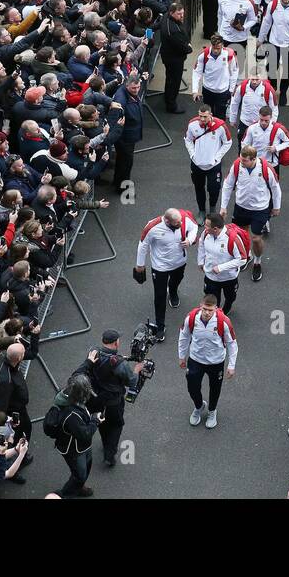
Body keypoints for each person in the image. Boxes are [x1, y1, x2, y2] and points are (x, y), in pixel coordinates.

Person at [72, 330, 143, 469]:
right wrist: (137, 370)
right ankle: (109, 454)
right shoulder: (119, 364)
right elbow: (131, 381)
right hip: (113, 402)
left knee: (101, 421)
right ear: (116, 342)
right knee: (116, 425)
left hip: (93, 398)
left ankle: (105, 443)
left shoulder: (93, 351)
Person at [220, 144, 282, 281]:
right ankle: (246, 256)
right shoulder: (237, 165)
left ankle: (257, 262)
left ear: (253, 159)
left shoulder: (266, 168)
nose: (241, 163)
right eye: (241, 160)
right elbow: (228, 185)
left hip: (260, 209)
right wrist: (223, 207)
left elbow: (275, 188)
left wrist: (276, 207)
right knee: (242, 234)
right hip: (241, 207)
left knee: (256, 238)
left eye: (244, 161)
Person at [136, 208, 200, 339]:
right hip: (160, 266)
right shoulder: (153, 227)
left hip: (179, 262)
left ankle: (173, 291)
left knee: (177, 280)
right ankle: (160, 325)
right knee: (159, 295)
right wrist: (140, 265)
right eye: (177, 223)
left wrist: (189, 239)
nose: (181, 224)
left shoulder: (184, 218)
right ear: (167, 220)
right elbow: (143, 244)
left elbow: (194, 227)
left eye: (180, 221)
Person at [178, 294, 238, 430]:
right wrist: (182, 356)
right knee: (192, 387)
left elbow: (232, 343)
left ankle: (212, 411)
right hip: (195, 360)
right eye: (205, 308)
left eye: (210, 310)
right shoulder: (191, 318)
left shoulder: (224, 322)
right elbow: (184, 336)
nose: (207, 312)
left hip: (216, 362)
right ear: (200, 306)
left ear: (216, 309)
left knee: (215, 389)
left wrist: (231, 365)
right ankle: (199, 406)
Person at [46, 374, 100, 498]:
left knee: (86, 466)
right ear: (81, 394)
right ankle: (65, 495)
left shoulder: (69, 396)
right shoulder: (71, 415)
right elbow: (85, 434)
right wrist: (95, 421)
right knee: (79, 474)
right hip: (74, 450)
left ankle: (80, 486)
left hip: (81, 446)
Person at [184, 105, 232, 215]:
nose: (202, 119)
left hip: (213, 166)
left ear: (210, 115)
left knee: (214, 189)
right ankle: (201, 211)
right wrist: (192, 155)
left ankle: (212, 210)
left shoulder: (220, 126)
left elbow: (228, 142)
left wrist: (217, 157)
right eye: (200, 116)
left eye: (205, 116)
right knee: (198, 188)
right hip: (197, 165)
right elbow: (188, 140)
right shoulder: (192, 124)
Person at [198, 213, 249, 313]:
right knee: (212, 299)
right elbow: (201, 244)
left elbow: (242, 259)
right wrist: (200, 261)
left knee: (230, 297)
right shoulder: (206, 233)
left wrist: (221, 268)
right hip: (211, 276)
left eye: (207, 225)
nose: (205, 227)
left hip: (229, 277)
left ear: (215, 229)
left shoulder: (232, 239)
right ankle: (215, 314)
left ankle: (227, 307)